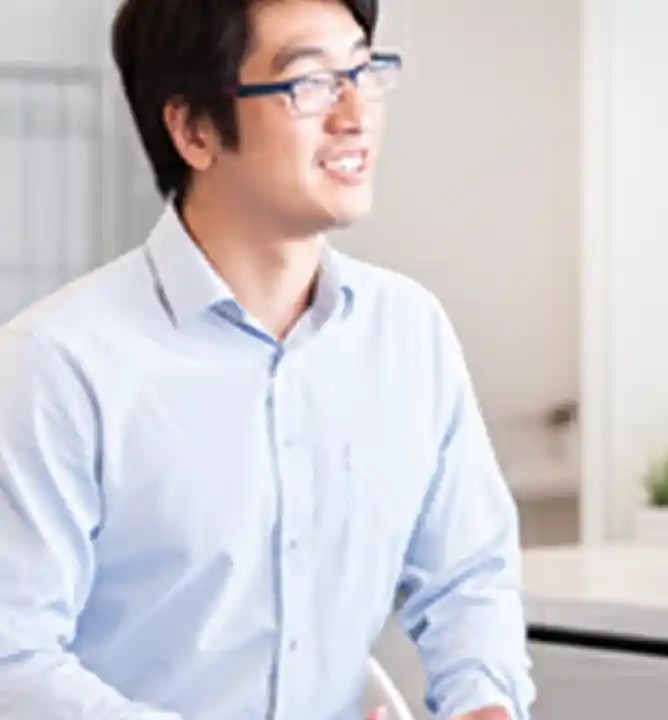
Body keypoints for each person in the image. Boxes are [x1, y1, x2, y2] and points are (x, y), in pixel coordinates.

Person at [0, 1, 533, 718]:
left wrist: (483, 704)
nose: (355, 114)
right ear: (193, 129)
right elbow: (14, 660)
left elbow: (471, 580)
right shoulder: (57, 366)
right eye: (310, 82)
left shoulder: (409, 334)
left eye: (363, 69)